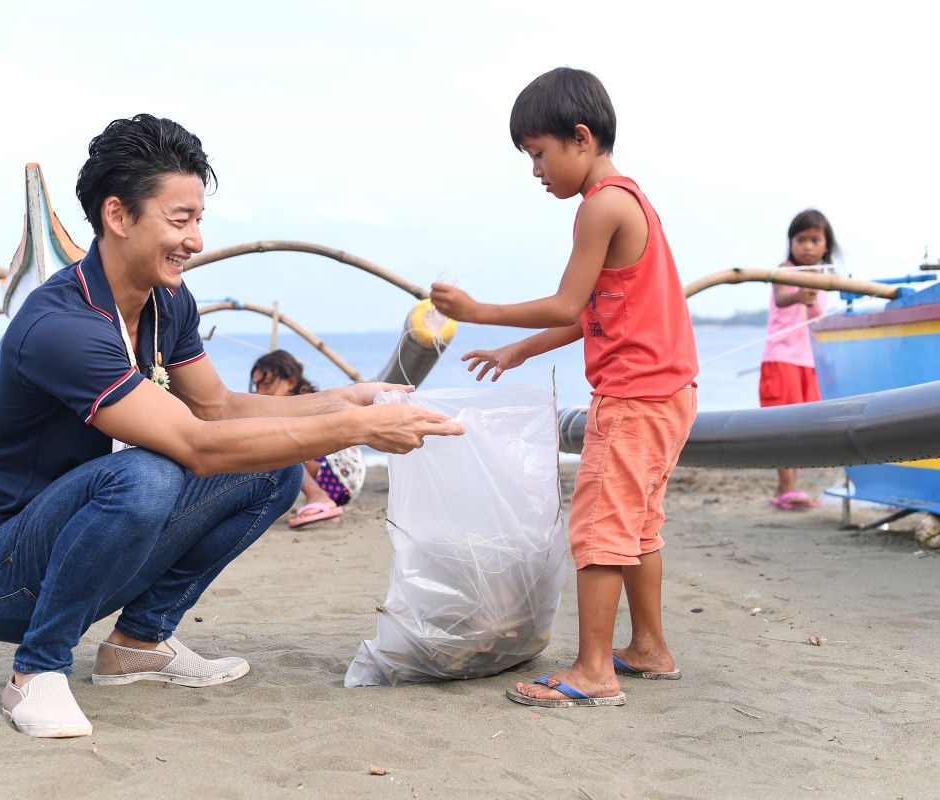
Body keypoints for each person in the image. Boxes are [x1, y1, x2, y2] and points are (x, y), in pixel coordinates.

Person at [0, 114, 463, 739]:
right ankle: (35, 671)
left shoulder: (167, 303)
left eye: (198, 219)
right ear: (118, 215)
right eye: (179, 219)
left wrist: (345, 401)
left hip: (82, 544)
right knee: (148, 474)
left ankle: (138, 643)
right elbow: (198, 443)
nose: (195, 239)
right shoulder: (62, 324)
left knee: (271, 466)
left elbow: (220, 407)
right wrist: (357, 431)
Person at [430, 67, 699, 708]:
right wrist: (517, 350)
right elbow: (592, 314)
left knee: (601, 525)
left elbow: (563, 302)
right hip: (669, 393)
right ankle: (651, 649)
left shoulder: (602, 204)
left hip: (634, 398)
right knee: (637, 526)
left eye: (539, 154)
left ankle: (594, 672)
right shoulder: (629, 199)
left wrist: (476, 311)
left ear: (580, 138)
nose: (536, 171)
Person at [760, 209, 836, 510]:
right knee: (782, 424)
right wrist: (798, 294)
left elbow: (819, 316)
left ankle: (788, 488)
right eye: (800, 239)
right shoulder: (785, 268)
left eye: (814, 240)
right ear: (791, 243)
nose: (807, 246)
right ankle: (787, 488)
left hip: (808, 362)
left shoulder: (822, 278)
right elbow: (781, 297)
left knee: (803, 426)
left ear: (825, 245)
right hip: (781, 359)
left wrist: (814, 294)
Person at [249, 350, 366, 527]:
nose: (260, 392)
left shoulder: (301, 403)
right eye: (257, 386)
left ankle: (317, 496)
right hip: (343, 479)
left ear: (290, 381)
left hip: (336, 474)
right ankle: (324, 506)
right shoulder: (307, 399)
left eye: (266, 384)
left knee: (275, 443)